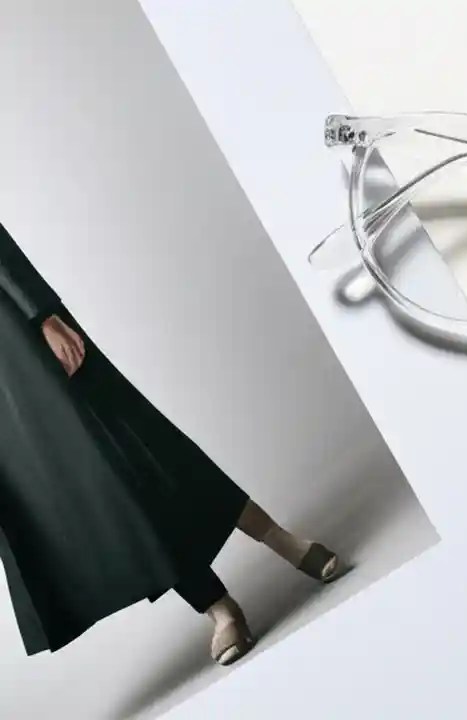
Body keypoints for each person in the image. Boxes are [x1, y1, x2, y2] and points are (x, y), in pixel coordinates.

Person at [0, 220, 343, 666]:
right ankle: (219, 607)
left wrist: (43, 313)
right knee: (102, 500)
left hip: (17, 339)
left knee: (146, 446)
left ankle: (281, 540)